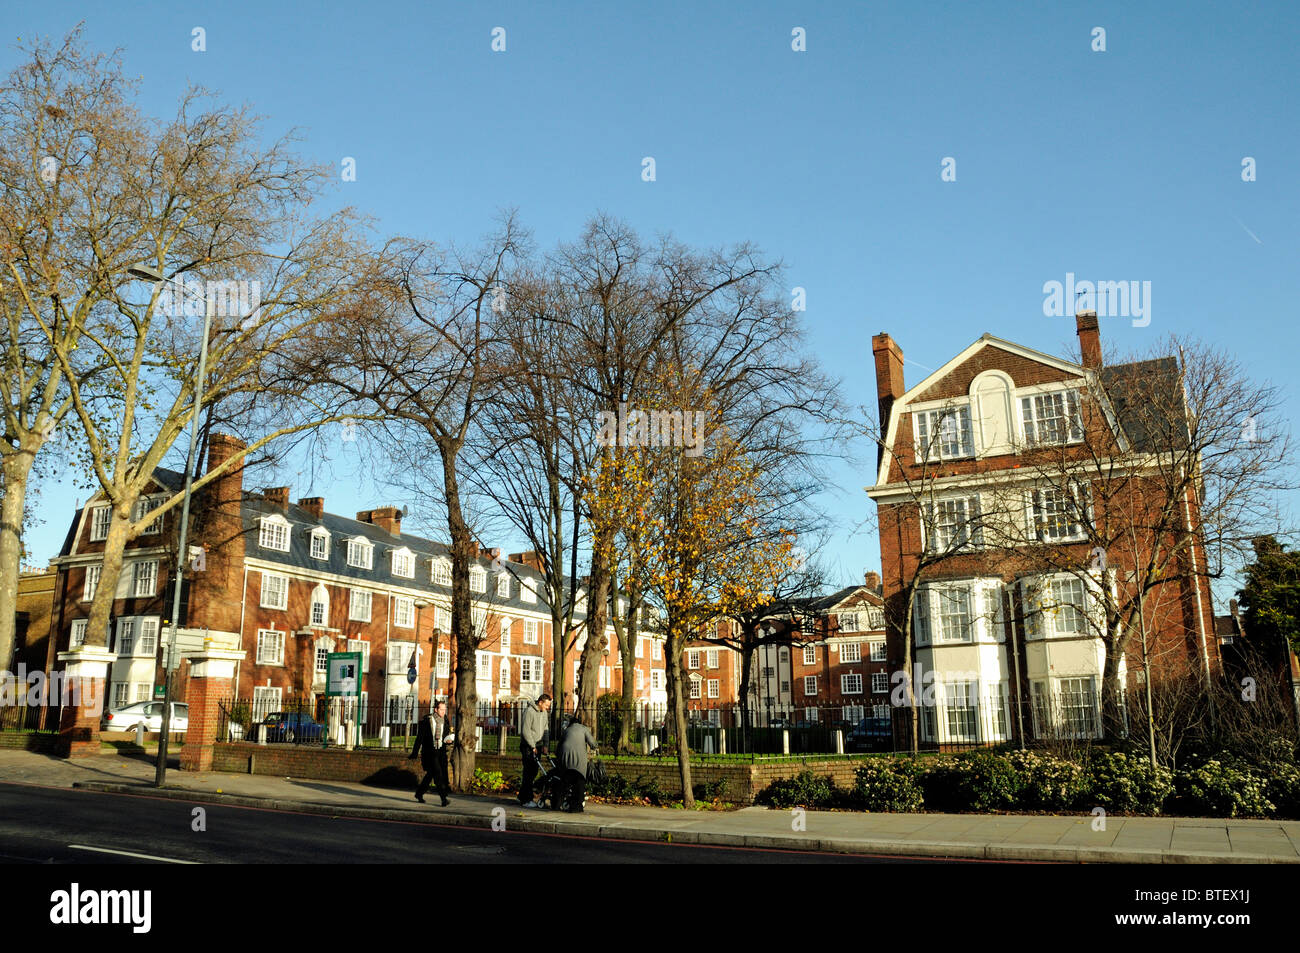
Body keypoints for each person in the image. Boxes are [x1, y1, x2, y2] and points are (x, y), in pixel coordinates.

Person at [409, 699, 454, 806]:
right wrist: (415, 752)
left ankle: (419, 793)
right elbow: (419, 738)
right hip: (430, 752)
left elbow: (446, 735)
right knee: (437, 774)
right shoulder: (427, 721)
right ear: (436, 709)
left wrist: (448, 740)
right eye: (441, 709)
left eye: (445, 709)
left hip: (441, 752)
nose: (444, 711)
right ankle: (443, 798)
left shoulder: (445, 721)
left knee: (431, 775)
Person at [557, 713, 598, 813]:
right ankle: (576, 806)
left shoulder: (567, 730)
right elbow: (593, 743)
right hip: (579, 760)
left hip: (565, 757)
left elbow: (559, 746)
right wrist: (595, 746)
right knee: (579, 782)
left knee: (564, 781)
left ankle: (557, 802)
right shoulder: (584, 729)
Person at [518, 693, 551, 807]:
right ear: (540, 702)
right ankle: (526, 800)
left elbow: (546, 729)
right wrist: (532, 746)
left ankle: (522, 796)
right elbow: (525, 731)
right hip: (528, 746)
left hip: (537, 745)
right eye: (546, 705)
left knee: (534, 772)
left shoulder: (544, 713)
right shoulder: (529, 712)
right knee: (528, 772)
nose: (547, 708)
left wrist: (545, 745)